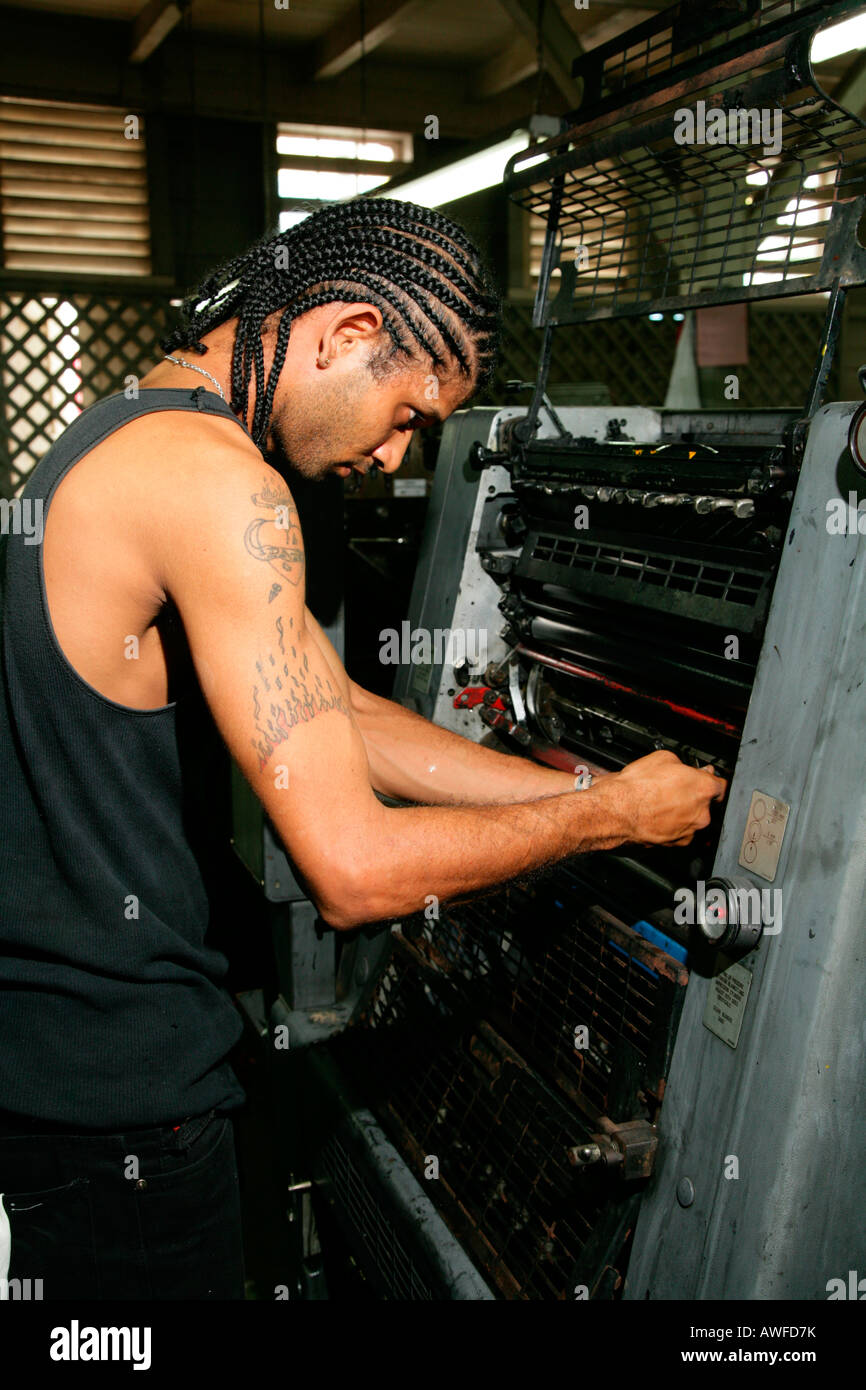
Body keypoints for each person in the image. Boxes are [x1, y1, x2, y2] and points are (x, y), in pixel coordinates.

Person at [0, 198, 725, 1300]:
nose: (392, 456)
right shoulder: (220, 482)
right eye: (404, 414)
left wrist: (574, 779)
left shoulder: (132, 427)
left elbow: (326, 705)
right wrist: (608, 821)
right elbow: (352, 870)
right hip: (120, 1111)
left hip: (57, 1074)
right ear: (341, 333)